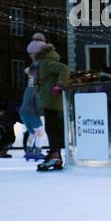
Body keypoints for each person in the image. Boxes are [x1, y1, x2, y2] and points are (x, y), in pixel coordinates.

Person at [33, 42, 70, 172]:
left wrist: (59, 85)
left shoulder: (46, 62)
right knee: (53, 128)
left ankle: (55, 155)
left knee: (52, 128)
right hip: (51, 101)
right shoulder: (45, 62)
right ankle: (56, 155)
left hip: (52, 101)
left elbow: (64, 69)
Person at [20, 62, 45, 161]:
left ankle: (29, 152)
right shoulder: (36, 88)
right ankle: (37, 152)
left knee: (32, 133)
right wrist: (41, 111)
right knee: (40, 133)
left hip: (23, 113)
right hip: (32, 113)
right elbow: (37, 101)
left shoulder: (28, 88)